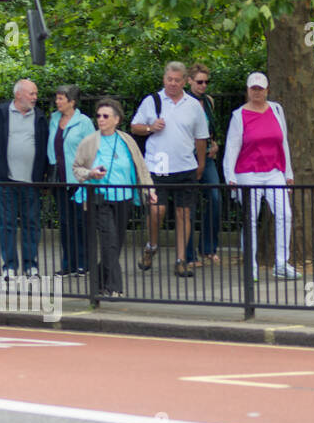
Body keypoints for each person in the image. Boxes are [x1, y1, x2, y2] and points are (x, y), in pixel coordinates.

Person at [130, 61, 209, 278]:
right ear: (164, 79)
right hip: (157, 167)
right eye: (169, 79)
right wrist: (150, 127)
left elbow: (201, 137)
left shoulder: (193, 105)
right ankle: (151, 246)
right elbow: (134, 126)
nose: (173, 84)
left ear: (184, 81)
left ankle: (181, 260)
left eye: (177, 80)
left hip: (185, 167)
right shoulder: (152, 101)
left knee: (184, 213)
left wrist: (200, 164)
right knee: (157, 211)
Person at [74, 98, 156, 297]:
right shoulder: (90, 142)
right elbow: (77, 168)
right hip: (100, 198)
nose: (100, 120)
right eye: (99, 116)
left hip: (124, 198)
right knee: (109, 241)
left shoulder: (127, 140)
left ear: (116, 119)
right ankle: (114, 287)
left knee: (116, 243)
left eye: (105, 116)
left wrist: (149, 190)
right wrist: (91, 173)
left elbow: (140, 167)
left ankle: (99, 283)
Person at [223, 72, 299, 281]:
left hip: (274, 171)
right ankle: (251, 266)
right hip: (248, 173)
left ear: (266, 90)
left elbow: (283, 142)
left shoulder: (276, 109)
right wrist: (230, 177)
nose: (257, 92)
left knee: (285, 214)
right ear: (248, 90)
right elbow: (232, 147)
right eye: (253, 88)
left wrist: (288, 172)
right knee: (250, 219)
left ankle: (282, 263)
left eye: (260, 88)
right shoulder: (239, 115)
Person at [0, 79, 48, 279]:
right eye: (31, 94)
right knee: (7, 224)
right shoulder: (1, 113)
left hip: (31, 181)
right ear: (18, 94)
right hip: (6, 179)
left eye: (36, 94)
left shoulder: (40, 116)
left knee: (31, 224)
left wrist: (43, 172)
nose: (35, 98)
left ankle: (30, 266)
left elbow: (45, 146)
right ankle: (9, 266)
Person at [47, 85, 94, 277]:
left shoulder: (84, 122)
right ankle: (68, 263)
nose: (57, 102)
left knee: (80, 222)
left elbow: (93, 150)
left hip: (79, 179)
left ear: (72, 102)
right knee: (65, 223)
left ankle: (84, 263)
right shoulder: (54, 119)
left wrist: (88, 176)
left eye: (61, 99)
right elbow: (51, 147)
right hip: (60, 178)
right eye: (57, 98)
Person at [184, 63, 223, 266]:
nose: (203, 86)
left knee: (215, 197)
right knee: (188, 203)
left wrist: (214, 144)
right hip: (187, 157)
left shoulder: (208, 101)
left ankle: (208, 247)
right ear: (189, 81)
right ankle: (189, 255)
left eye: (206, 82)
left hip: (207, 156)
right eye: (199, 82)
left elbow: (211, 130)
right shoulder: (182, 102)